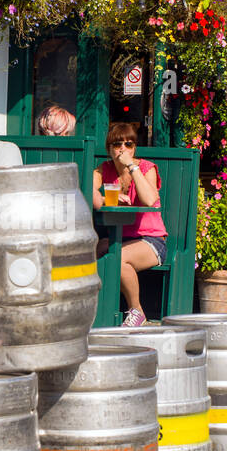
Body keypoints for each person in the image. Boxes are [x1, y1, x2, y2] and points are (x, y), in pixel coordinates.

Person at [91, 122, 166, 328]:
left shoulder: (145, 168)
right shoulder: (104, 169)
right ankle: (92, 310)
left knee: (118, 258)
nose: (123, 149)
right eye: (117, 144)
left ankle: (137, 311)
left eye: (128, 144)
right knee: (92, 251)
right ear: (109, 148)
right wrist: (106, 200)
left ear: (134, 148)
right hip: (119, 238)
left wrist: (132, 167)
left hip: (151, 241)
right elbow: (89, 190)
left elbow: (150, 199)